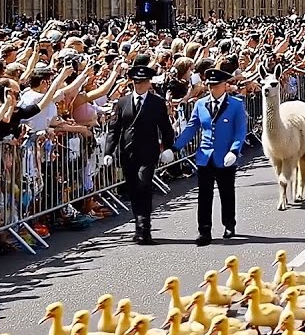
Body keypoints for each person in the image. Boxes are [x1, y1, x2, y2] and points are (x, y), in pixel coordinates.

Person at [175, 68, 247, 246]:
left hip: (225, 156)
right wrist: (175, 146)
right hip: (205, 156)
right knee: (204, 195)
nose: (212, 88)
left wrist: (234, 150)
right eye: (210, 85)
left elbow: (239, 131)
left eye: (216, 85)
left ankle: (229, 224)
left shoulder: (236, 105)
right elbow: (192, 128)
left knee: (226, 192)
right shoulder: (201, 104)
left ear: (225, 85)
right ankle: (204, 230)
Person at [105, 65, 175, 245]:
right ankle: (139, 225)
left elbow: (165, 128)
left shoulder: (157, 102)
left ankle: (145, 228)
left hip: (148, 152)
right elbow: (114, 130)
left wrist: (169, 147)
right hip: (128, 153)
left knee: (144, 186)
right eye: (136, 82)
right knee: (133, 190)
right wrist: (108, 151)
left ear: (148, 83)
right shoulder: (122, 103)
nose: (138, 85)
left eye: (142, 82)